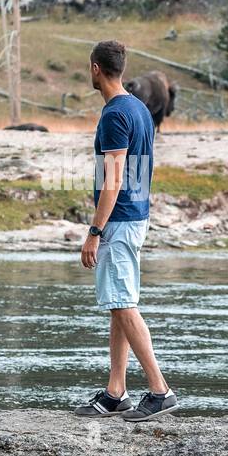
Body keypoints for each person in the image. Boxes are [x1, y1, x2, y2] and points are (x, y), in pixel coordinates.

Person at [74, 40, 178, 421]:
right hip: (137, 215)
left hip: (119, 219)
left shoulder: (115, 115)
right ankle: (116, 392)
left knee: (124, 304)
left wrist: (95, 231)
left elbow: (113, 179)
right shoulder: (139, 109)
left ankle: (160, 389)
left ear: (96, 69)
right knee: (119, 303)